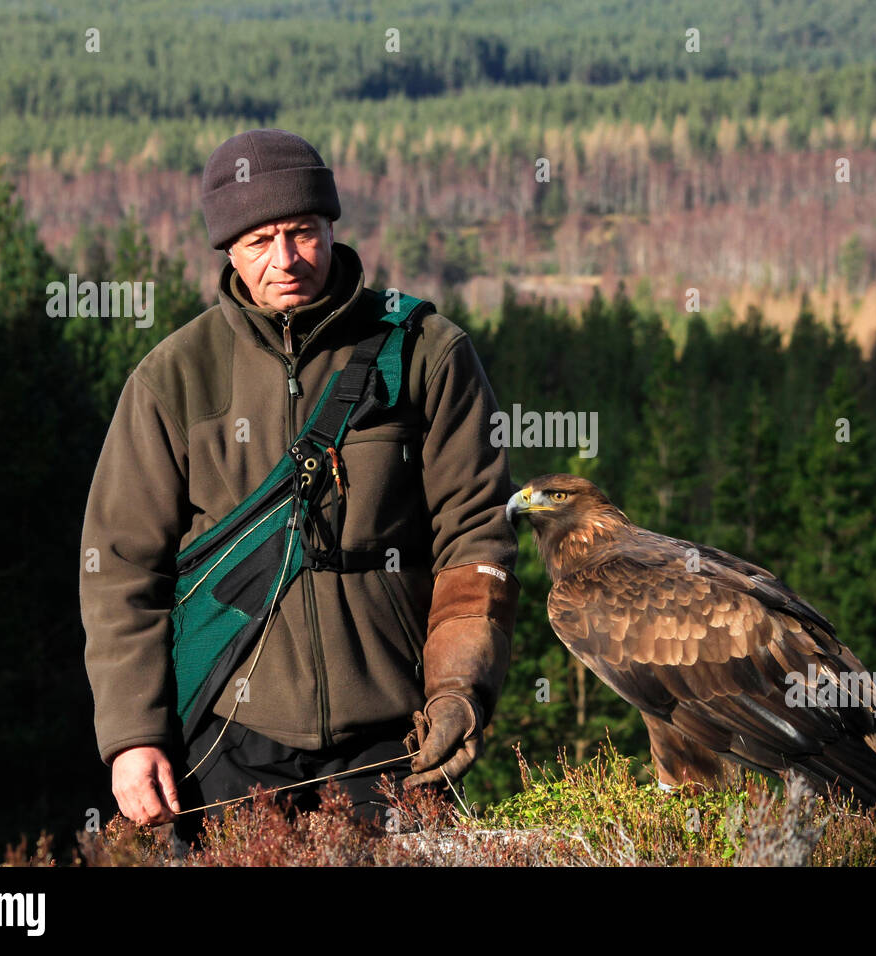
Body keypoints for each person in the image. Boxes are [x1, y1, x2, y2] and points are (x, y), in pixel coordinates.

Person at [79, 129, 519, 842]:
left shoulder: (427, 353)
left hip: (394, 737)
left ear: (331, 226)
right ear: (226, 249)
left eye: (302, 232)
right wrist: (131, 736)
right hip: (224, 740)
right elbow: (120, 570)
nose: (285, 260)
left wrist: (460, 689)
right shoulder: (173, 379)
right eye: (259, 241)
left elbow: (476, 532)